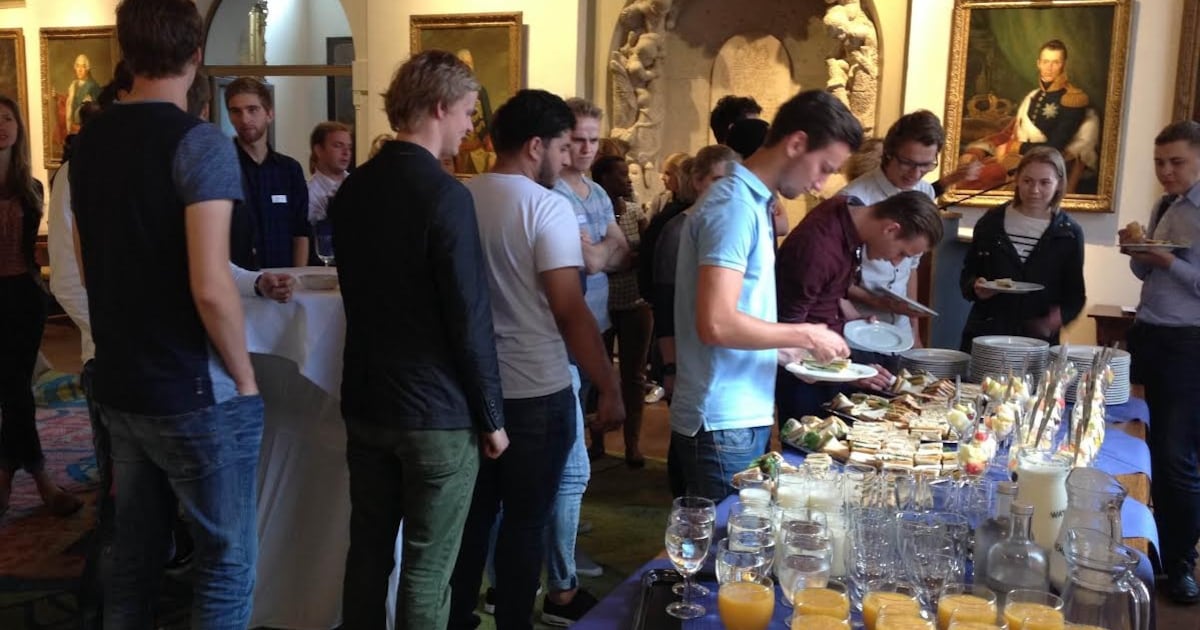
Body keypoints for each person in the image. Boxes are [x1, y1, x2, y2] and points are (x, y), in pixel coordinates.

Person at [69, 1, 264, 626]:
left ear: (124, 55)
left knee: (136, 558)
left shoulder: (90, 140)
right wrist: (246, 378)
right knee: (226, 562)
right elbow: (210, 286)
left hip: (120, 380)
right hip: (189, 384)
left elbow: (85, 259)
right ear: (196, 56)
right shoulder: (198, 141)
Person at [329, 50, 508, 629]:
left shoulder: (353, 190)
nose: (468, 126)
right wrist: (492, 416)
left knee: (367, 554)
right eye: (464, 113)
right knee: (429, 571)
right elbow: (467, 317)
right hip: (436, 412)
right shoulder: (445, 195)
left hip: (366, 400)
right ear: (438, 107)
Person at [448, 89, 623, 630]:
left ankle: (457, 619)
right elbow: (569, 310)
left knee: (473, 522)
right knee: (526, 524)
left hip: (472, 389)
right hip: (536, 390)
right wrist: (610, 385)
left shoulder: (460, 197)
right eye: (563, 148)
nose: (569, 158)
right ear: (534, 146)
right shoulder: (544, 206)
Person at [670, 90, 858, 501]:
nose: (820, 183)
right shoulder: (734, 205)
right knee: (729, 550)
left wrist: (785, 354)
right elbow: (716, 323)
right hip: (722, 417)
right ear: (796, 143)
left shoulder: (751, 203)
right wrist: (805, 334)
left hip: (738, 411)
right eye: (824, 168)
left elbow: (737, 316)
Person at [1119, 120, 1200, 604]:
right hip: (1147, 333)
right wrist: (1140, 252)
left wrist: (1166, 260)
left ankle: (1182, 564)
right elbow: (1144, 269)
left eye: (1176, 162)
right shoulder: (1165, 204)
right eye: (1159, 163)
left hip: (1189, 343)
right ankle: (1140, 548)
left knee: (1176, 457)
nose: (1165, 172)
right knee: (1134, 446)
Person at [775, 190, 943, 421]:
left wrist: (851, 315)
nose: (896, 262)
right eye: (902, 253)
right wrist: (849, 373)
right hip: (804, 377)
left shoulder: (848, 207)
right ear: (891, 229)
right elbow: (787, 336)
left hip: (829, 356)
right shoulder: (818, 249)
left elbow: (829, 289)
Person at [0, 94, 81, 520]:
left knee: (15, 388)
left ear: (19, 126)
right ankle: (33, 476)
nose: (2, 126)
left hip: (24, 296)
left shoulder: (31, 187)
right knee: (12, 392)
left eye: (7, 118)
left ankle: (14, 475)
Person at [552, 98, 630, 459]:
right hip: (567, 321)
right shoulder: (553, 191)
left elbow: (623, 249)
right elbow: (595, 261)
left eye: (593, 141)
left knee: (585, 404)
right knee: (567, 414)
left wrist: (601, 250)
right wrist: (604, 249)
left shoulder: (596, 190)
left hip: (599, 317)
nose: (586, 149)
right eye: (579, 139)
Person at [840, 110, 948, 361]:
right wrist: (877, 302)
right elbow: (833, 279)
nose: (916, 173)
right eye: (908, 163)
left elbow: (911, 266)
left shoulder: (925, 192)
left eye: (926, 165)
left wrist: (916, 334)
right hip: (856, 324)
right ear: (888, 153)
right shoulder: (854, 199)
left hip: (899, 329)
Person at [958, 147, 1085, 350]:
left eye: (1045, 183)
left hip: (1037, 343)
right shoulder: (991, 222)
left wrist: (1055, 319)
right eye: (1027, 181)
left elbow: (1075, 296)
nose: (1034, 190)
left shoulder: (1068, 233)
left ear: (1059, 184)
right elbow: (968, 276)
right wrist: (976, 287)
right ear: (1017, 179)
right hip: (987, 335)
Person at [651, 145, 739, 411]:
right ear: (698, 181)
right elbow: (665, 305)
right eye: (717, 180)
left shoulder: (733, 225)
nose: (726, 188)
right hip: (686, 353)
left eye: (732, 181)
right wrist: (671, 367)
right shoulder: (678, 230)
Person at [960, 40, 1097, 194]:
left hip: (1042, 167)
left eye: (1055, 62)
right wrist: (976, 152)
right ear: (1038, 63)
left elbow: (1055, 148)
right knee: (966, 176)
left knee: (976, 179)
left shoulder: (1073, 99)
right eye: (1045, 62)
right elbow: (1008, 134)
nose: (1049, 67)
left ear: (1063, 64)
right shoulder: (1032, 96)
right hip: (1014, 160)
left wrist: (1014, 147)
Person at [592, 154, 652, 468]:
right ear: (602, 179)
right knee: (597, 374)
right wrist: (619, 258)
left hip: (635, 303)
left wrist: (617, 258)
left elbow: (647, 250)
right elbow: (591, 257)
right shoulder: (595, 214)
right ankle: (597, 441)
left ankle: (632, 445)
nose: (627, 179)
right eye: (620, 174)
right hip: (600, 304)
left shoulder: (633, 211)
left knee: (634, 377)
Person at [225, 76, 309, 268]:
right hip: (240, 282)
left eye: (252, 110)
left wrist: (297, 278)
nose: (245, 119)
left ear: (269, 114)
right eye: (236, 111)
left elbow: (300, 232)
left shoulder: (289, 170)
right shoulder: (223, 167)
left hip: (284, 282)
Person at [307, 121, 352, 224]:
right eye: (338, 145)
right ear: (319, 150)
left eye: (349, 147)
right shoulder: (309, 194)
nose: (346, 152)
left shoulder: (358, 183)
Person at [66, 54, 102, 132]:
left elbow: (100, 107)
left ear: (87, 69)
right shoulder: (73, 85)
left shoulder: (93, 86)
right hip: (74, 128)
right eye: (78, 66)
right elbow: (69, 103)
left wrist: (90, 102)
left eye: (83, 66)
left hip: (87, 128)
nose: (80, 69)